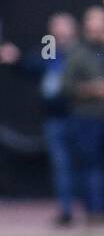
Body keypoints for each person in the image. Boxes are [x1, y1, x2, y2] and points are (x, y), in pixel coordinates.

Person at [0, 12, 80, 225]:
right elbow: (38, 66)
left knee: (87, 164)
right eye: (54, 26)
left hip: (82, 114)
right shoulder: (50, 45)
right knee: (61, 165)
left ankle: (95, 209)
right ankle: (66, 211)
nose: (58, 30)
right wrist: (17, 60)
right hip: (55, 116)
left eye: (63, 26)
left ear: (73, 28)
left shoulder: (82, 46)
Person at [62, 6, 104, 222]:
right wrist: (93, 88)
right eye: (95, 22)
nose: (99, 27)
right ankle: (92, 211)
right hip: (86, 117)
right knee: (90, 166)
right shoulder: (77, 52)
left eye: (103, 22)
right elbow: (65, 87)